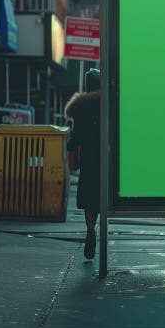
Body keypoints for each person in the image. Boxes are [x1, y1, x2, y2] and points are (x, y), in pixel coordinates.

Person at [65, 69, 101, 259]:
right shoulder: (111, 105)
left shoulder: (81, 107)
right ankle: (98, 228)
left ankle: (90, 230)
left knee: (89, 200)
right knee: (103, 197)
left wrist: (69, 140)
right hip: (107, 163)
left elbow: (73, 142)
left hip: (89, 162)